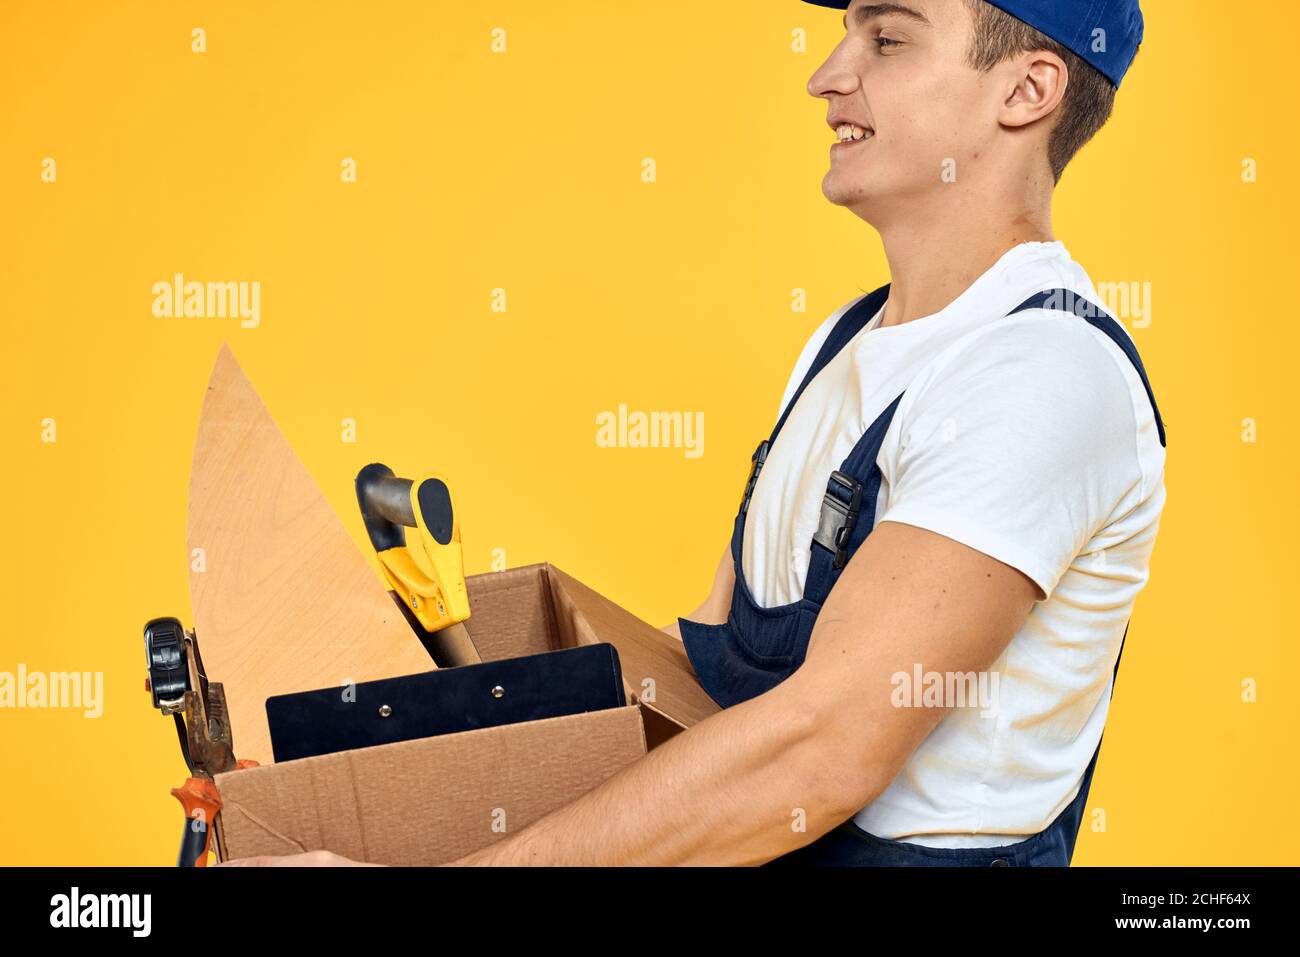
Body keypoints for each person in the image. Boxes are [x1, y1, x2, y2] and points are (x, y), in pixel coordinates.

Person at [228, 0, 1165, 867]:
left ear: (1028, 90)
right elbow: (711, 699)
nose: (827, 75)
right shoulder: (846, 342)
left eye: (886, 38)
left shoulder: (1044, 373)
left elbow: (819, 752)